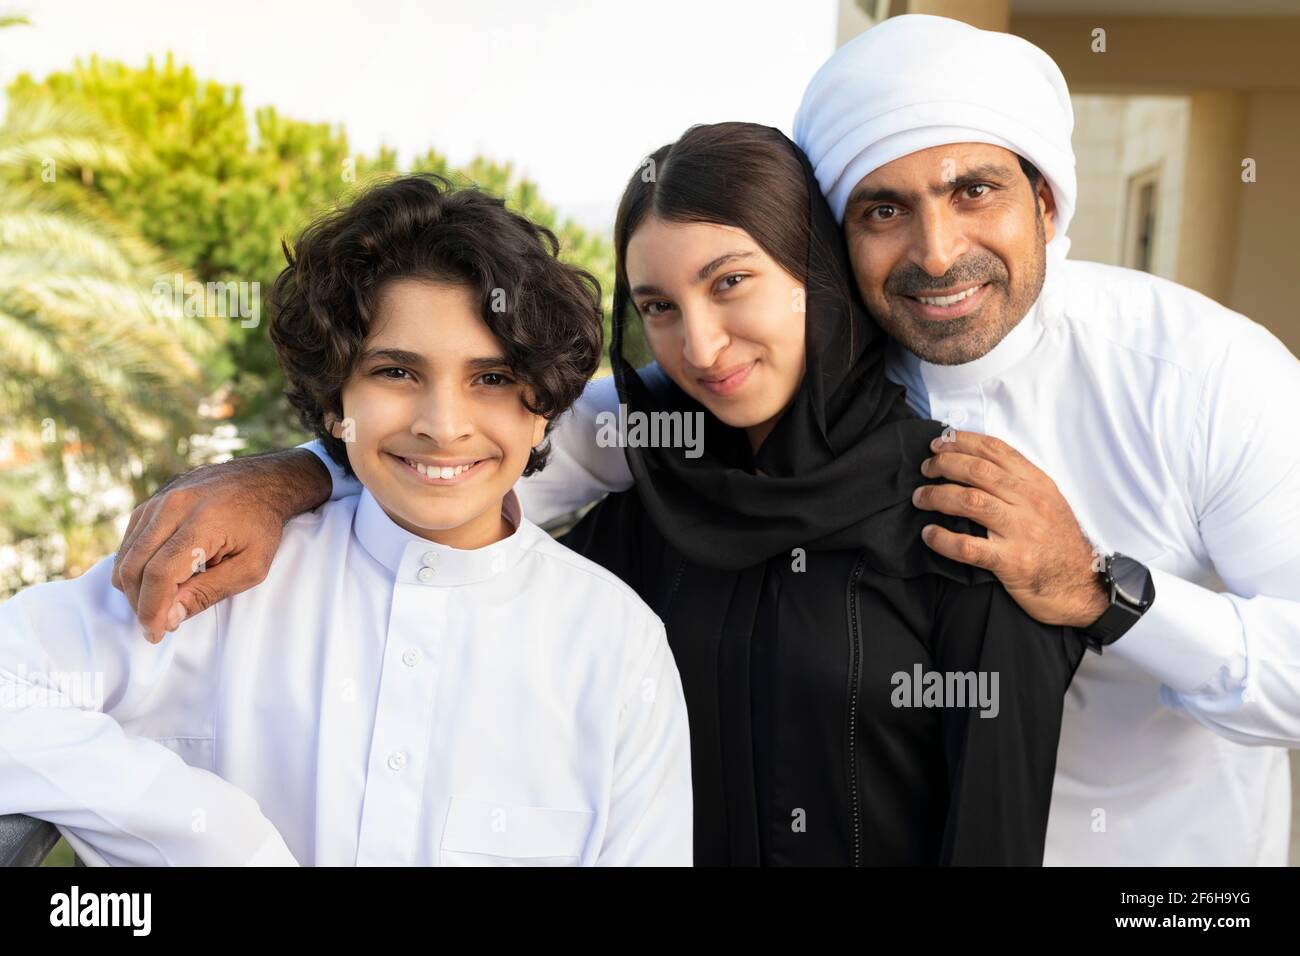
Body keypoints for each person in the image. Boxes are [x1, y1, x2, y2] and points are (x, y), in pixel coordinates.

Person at [113, 123, 1089, 865]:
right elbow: (452, 471)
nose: (698, 346)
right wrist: (287, 475)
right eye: (658, 307)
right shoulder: (628, 521)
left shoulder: (967, 523)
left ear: (818, 277)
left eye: (732, 281)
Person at [0, 174, 693, 866]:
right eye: (396, 372)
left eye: (491, 378)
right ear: (335, 399)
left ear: (541, 403)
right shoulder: (215, 585)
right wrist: (214, 837)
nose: (443, 426)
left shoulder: (616, 648)